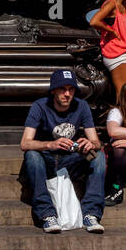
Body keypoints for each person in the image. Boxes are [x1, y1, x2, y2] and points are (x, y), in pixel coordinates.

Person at [19, 68, 105, 233]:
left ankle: (91, 214)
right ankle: (47, 214)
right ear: (53, 91)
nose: (67, 94)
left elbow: (96, 141)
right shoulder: (40, 106)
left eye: (71, 89)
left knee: (98, 156)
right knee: (32, 155)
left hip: (71, 160)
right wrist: (50, 145)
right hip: (47, 160)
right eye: (63, 89)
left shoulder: (82, 106)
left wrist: (90, 144)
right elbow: (25, 143)